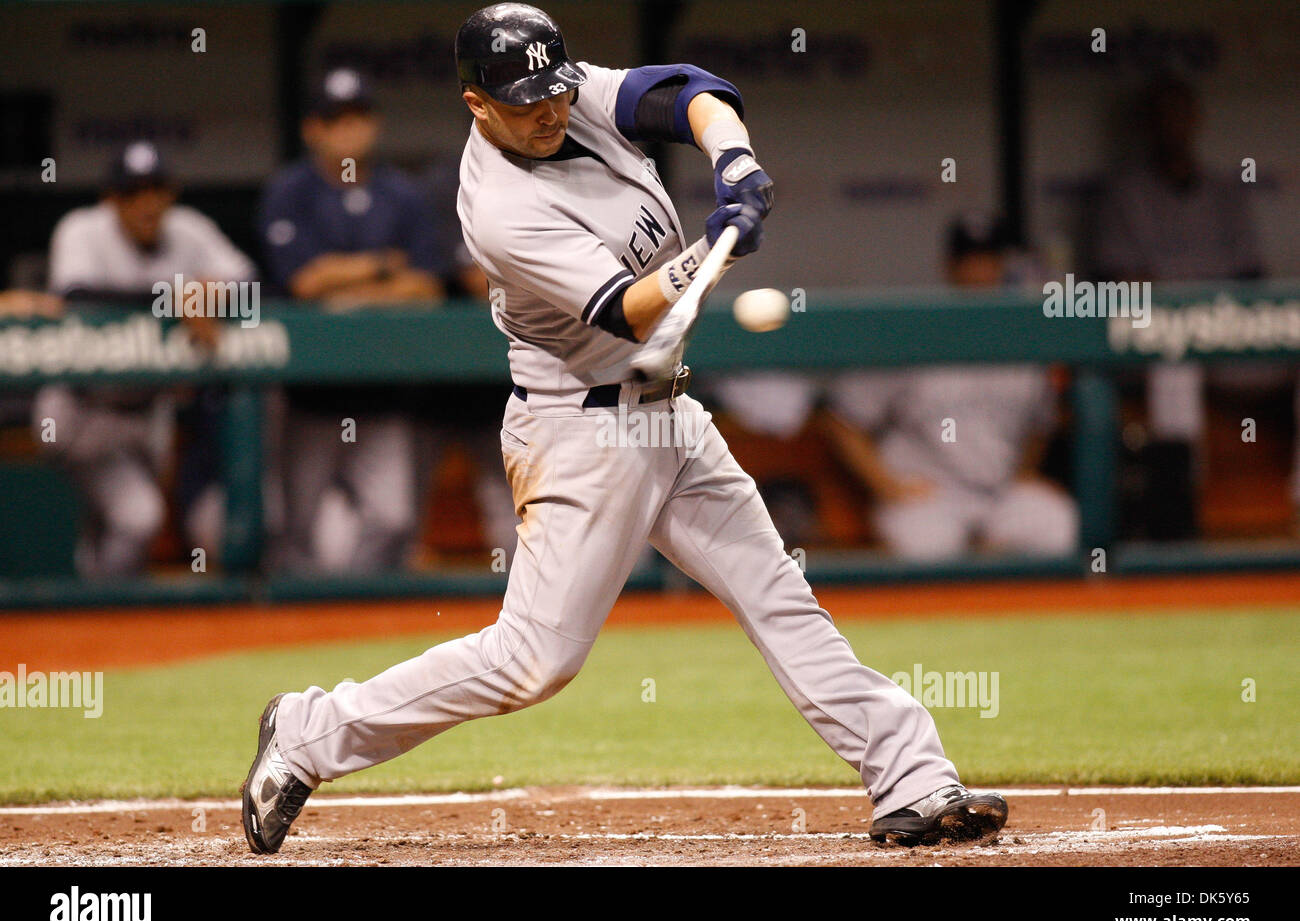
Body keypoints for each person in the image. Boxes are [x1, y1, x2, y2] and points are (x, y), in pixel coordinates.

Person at [241, 3, 1008, 855]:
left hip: (666, 414)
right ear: (475, 103)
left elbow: (690, 94)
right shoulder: (497, 205)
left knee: (778, 593)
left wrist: (734, 159)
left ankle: (910, 777)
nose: (548, 110)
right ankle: (310, 732)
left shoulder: (571, 98)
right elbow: (627, 312)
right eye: (523, 98)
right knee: (532, 663)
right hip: (579, 430)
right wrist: (710, 246)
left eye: (554, 89)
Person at [36, 141, 255, 578]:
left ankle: (99, 616)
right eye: (131, 193)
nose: (146, 203)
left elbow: (250, 282)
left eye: (156, 190)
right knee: (138, 516)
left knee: (114, 524)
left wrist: (213, 292)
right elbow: (78, 295)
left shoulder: (189, 229)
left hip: (148, 411)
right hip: (82, 412)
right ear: (110, 199)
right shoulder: (82, 229)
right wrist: (174, 297)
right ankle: (106, 613)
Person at [259, 68, 446, 574]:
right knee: (296, 527)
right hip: (309, 396)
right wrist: (382, 268)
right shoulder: (290, 190)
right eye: (335, 119)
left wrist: (345, 285)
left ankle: (352, 618)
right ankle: (291, 630)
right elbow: (303, 281)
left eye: (359, 117)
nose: (349, 129)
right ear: (312, 129)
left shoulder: (401, 193)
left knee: (393, 518)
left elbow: (427, 287)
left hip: (380, 392)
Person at [820, 215, 1078, 560]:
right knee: (926, 547)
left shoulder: (1024, 336)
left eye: (988, 259)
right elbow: (840, 419)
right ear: (950, 266)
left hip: (1000, 495)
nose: (980, 270)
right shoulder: (913, 333)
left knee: (1057, 526)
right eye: (970, 261)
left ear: (1003, 264)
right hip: (929, 496)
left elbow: (1040, 425)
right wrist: (888, 487)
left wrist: (1025, 475)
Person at [1093, 73, 1270, 539]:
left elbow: (1252, 273)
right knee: (1176, 361)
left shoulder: (1226, 189)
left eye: (1180, 113)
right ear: (1147, 124)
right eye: (1161, 115)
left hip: (1231, 332)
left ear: (1197, 119)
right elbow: (1118, 279)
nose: (1172, 125)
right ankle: (1179, 513)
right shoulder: (1125, 192)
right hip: (1157, 335)